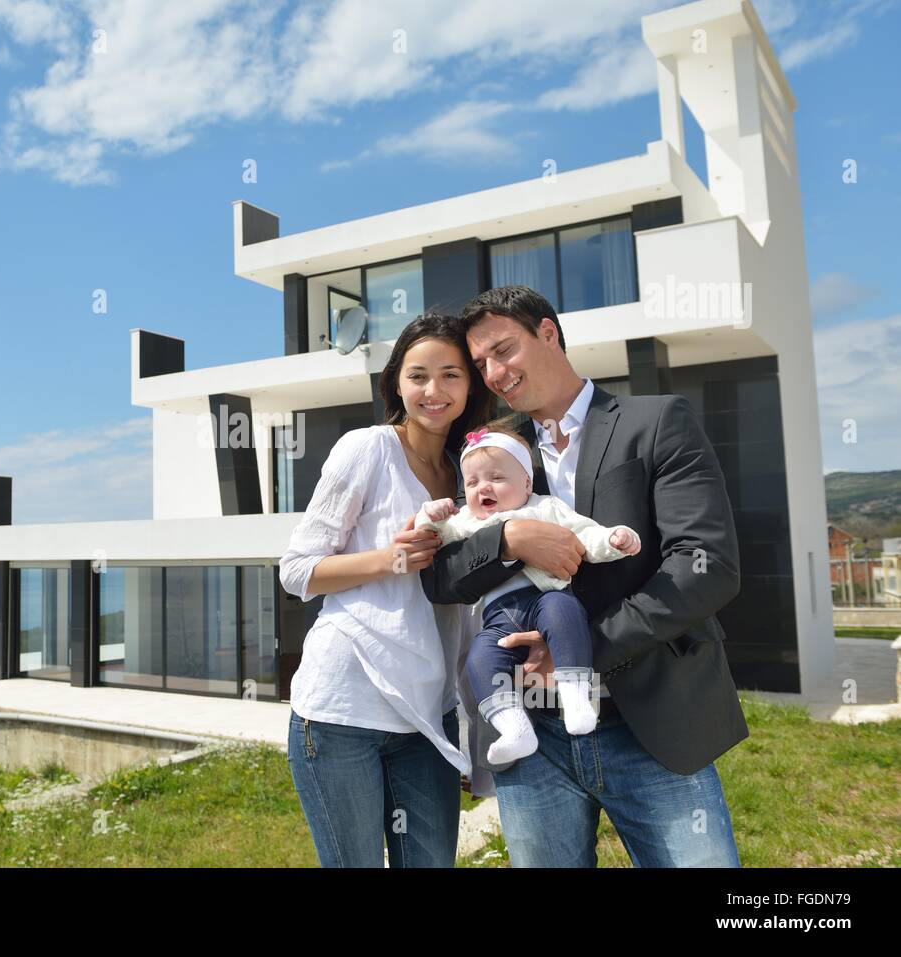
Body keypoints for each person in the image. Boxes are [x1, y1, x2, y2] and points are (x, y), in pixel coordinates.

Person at [421, 284, 748, 867]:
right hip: (533, 734)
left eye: (504, 350)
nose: (493, 373)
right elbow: (442, 577)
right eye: (481, 364)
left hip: (649, 720)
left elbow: (705, 566)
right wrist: (508, 538)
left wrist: (582, 651)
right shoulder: (498, 455)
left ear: (548, 333)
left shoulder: (656, 421)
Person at [278, 312, 493, 867]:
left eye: (450, 375)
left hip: (430, 716)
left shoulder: (472, 476)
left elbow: (469, 617)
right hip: (343, 709)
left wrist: (479, 742)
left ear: (470, 385)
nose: (433, 390)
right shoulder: (367, 449)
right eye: (418, 375)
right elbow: (297, 570)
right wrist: (389, 558)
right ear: (396, 382)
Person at [415, 426, 640, 764]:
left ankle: (576, 696)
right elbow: (441, 537)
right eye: (472, 482)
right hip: (497, 619)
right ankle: (514, 727)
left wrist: (612, 540)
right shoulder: (467, 520)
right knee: (479, 659)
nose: (483, 488)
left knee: (563, 614)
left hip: (544, 596)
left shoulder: (547, 507)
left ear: (527, 483)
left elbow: (583, 534)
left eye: (495, 478)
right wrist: (429, 517)